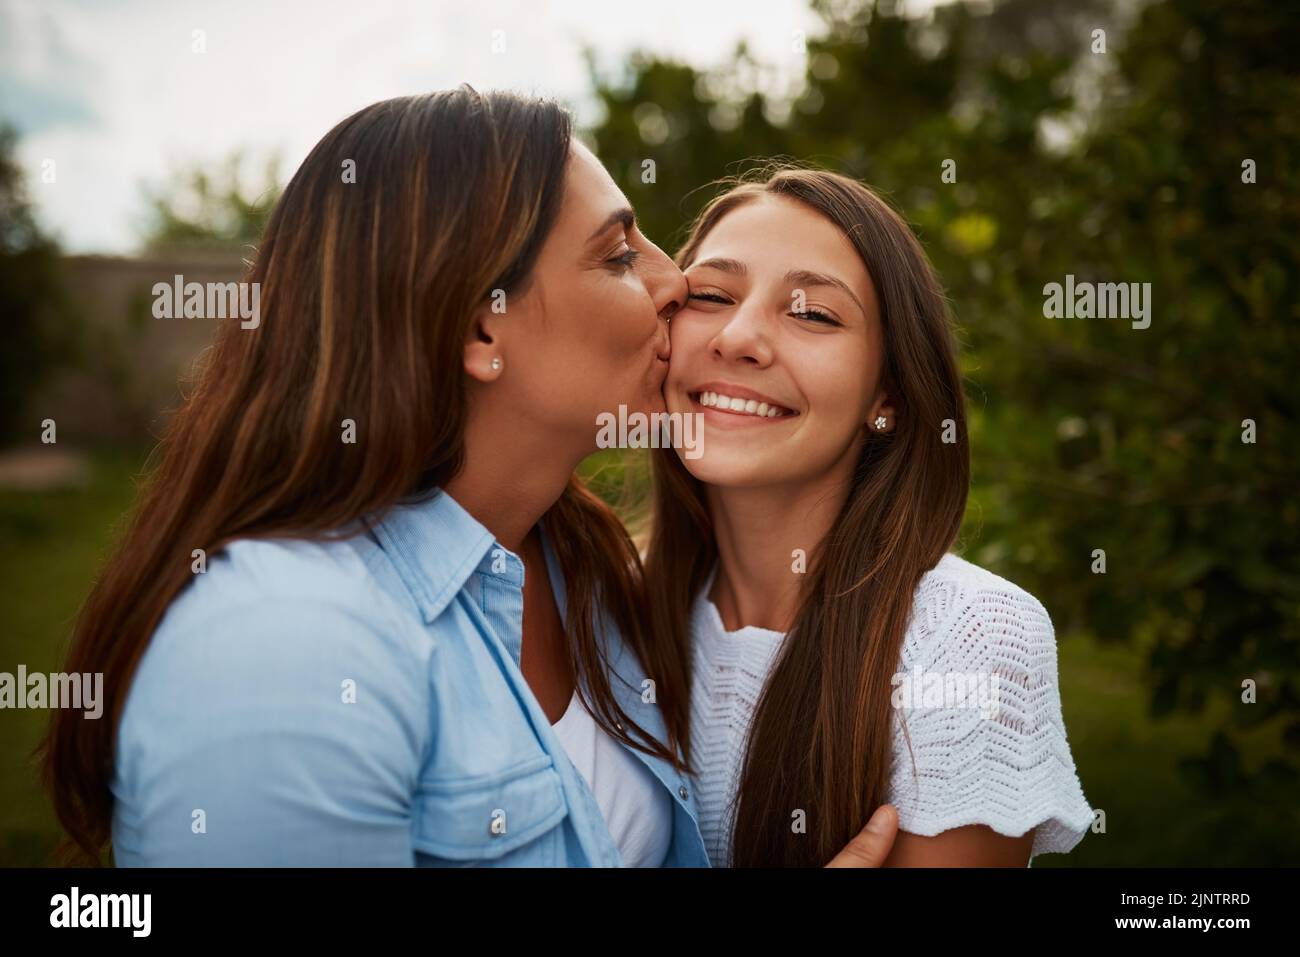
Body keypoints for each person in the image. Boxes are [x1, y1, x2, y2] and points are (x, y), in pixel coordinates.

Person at [647, 166, 1094, 867]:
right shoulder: (608, 598)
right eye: (709, 294)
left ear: (886, 392)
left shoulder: (966, 635)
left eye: (813, 313)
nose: (738, 336)